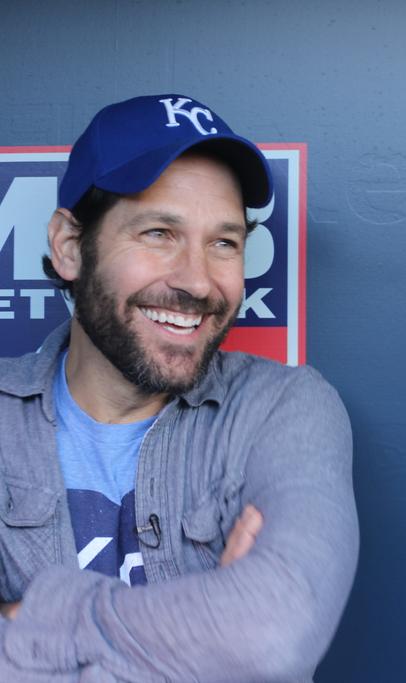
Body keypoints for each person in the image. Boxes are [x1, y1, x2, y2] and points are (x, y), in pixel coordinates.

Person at [0, 94, 357, 681]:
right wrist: (205, 630)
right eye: (159, 232)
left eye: (224, 242)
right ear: (69, 245)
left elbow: (268, 636)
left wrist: (34, 622)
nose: (196, 281)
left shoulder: (282, 410)